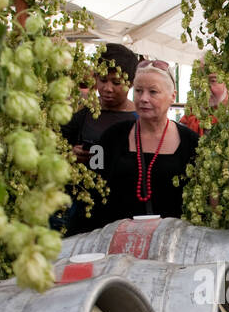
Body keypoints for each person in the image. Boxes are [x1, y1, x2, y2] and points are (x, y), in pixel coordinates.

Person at [67, 58, 198, 234]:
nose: (143, 98)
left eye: (153, 92)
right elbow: (93, 195)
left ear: (172, 96)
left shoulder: (191, 143)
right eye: (138, 91)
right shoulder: (112, 136)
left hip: (171, 246)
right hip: (117, 247)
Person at [61, 42, 138, 168]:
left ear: (131, 83)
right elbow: (60, 147)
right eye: (102, 80)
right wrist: (72, 154)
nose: (108, 88)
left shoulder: (140, 119)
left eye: (116, 82)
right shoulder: (81, 113)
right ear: (95, 77)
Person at [179, 57, 227, 136]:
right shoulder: (189, 117)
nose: (204, 90)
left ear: (227, 83)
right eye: (200, 82)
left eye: (212, 81)